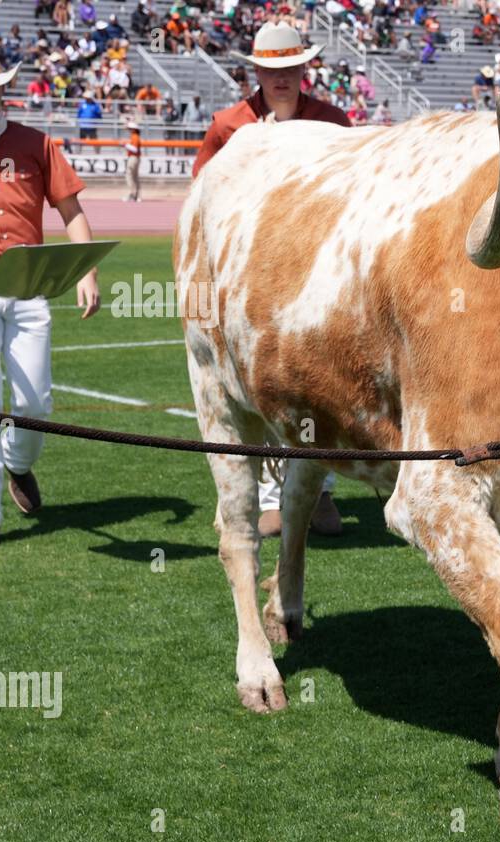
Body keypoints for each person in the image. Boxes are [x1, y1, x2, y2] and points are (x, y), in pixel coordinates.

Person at [192, 23, 348, 538]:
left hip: (316, 274)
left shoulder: (334, 122)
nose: (280, 78)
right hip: (250, 277)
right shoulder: (226, 126)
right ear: (254, 71)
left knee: (321, 384)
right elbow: (202, 204)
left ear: (305, 69)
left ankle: (319, 492)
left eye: (290, 69)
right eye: (270, 70)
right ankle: (267, 496)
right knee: (256, 384)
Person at [0, 40, 100, 552]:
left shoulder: (37, 143)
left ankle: (18, 462)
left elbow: (71, 211)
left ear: (5, 83)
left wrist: (86, 270)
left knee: (36, 403)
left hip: (31, 284)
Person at [124, 117, 141, 202]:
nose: (129, 130)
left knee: (130, 176)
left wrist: (125, 145)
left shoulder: (134, 136)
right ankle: (136, 195)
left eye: (130, 129)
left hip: (133, 157)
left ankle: (132, 194)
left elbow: (135, 149)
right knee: (135, 177)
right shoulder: (135, 136)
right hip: (135, 158)